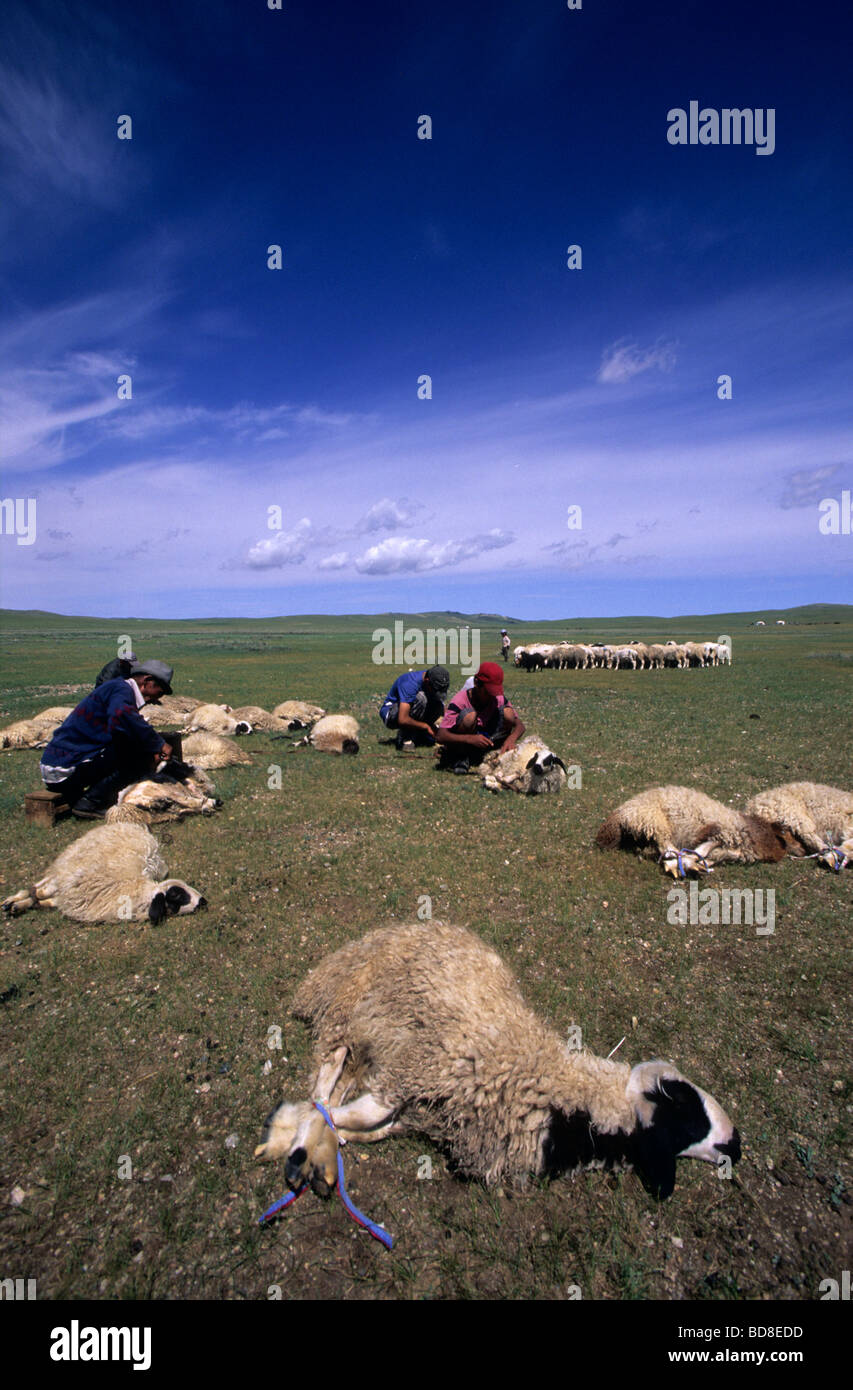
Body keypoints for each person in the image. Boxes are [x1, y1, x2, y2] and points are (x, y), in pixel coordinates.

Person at [40, 659, 176, 819]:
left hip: (59, 765)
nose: (156, 700)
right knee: (136, 758)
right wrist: (159, 744)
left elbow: (122, 724)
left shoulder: (117, 688)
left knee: (132, 748)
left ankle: (97, 795)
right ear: (146, 682)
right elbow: (122, 717)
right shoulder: (121, 690)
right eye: (159, 693)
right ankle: (89, 803)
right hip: (63, 770)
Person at [435, 661, 525, 773]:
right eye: (488, 691)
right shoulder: (460, 700)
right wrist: (470, 739)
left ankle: (497, 751)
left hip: (489, 740)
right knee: (469, 717)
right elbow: (440, 736)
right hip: (466, 743)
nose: (492, 695)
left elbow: (520, 725)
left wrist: (511, 739)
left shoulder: (498, 699)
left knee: (508, 713)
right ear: (477, 683)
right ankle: (462, 757)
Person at [379, 666, 450, 749]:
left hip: (413, 712)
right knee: (421, 698)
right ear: (427, 681)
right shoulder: (410, 683)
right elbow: (402, 719)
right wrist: (426, 726)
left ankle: (420, 735)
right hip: (392, 714)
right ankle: (405, 737)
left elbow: (442, 708)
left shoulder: (434, 679)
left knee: (436, 702)